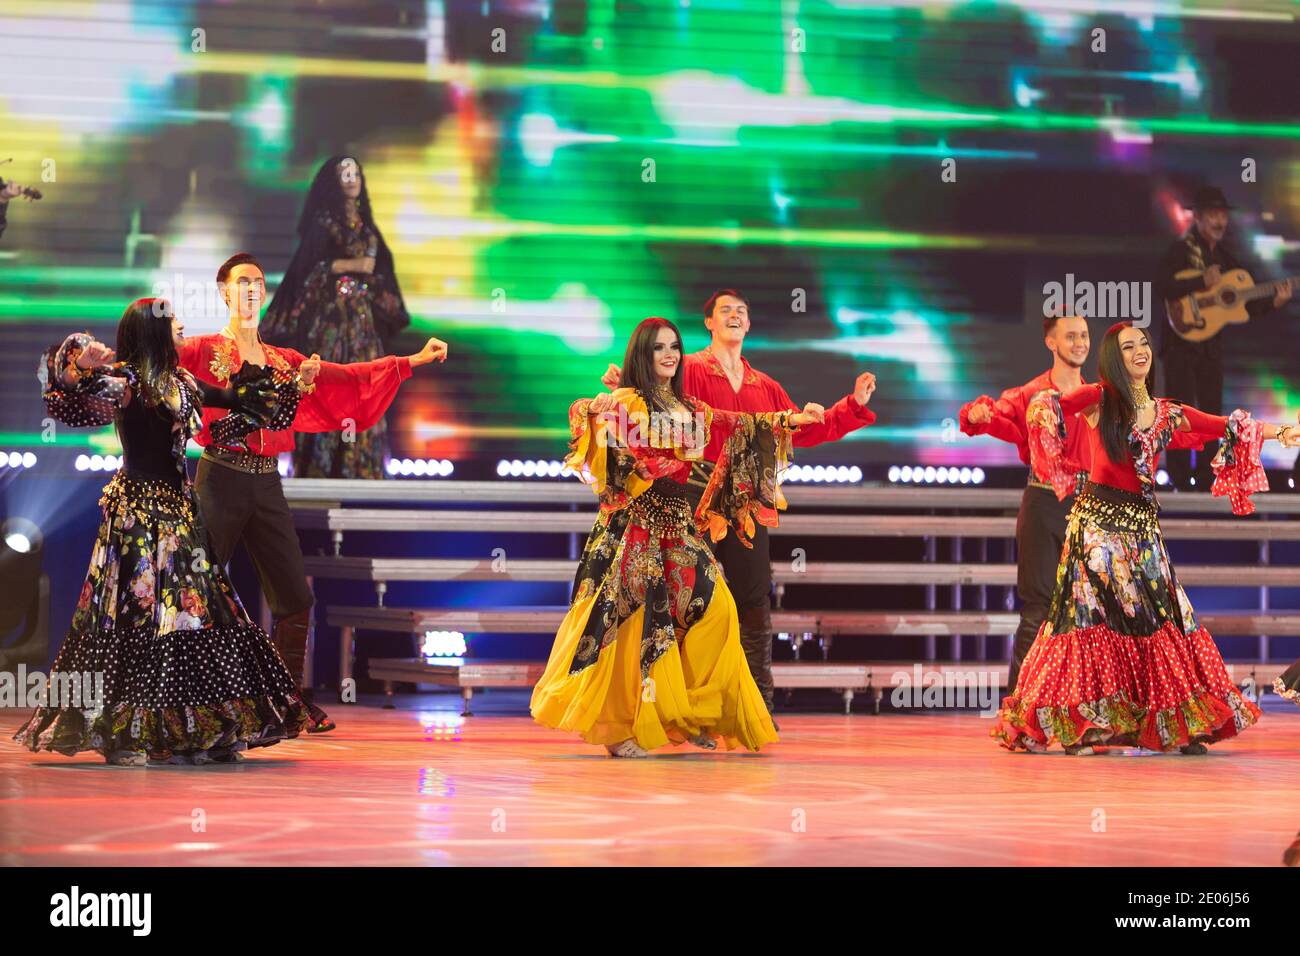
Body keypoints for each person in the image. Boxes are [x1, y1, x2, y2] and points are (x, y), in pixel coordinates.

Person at [14, 300, 315, 766]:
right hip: (135, 517)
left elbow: (243, 402)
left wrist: (288, 386)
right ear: (153, 332)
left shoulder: (184, 383)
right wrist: (78, 358)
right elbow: (70, 392)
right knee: (138, 618)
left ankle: (204, 727)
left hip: (180, 514)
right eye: (171, 319)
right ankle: (126, 731)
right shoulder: (127, 381)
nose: (181, 324)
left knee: (199, 615)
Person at [993, 321, 1297, 754]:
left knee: (1164, 622)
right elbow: (1052, 404)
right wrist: (1044, 414)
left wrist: (1283, 433)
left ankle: (1177, 724)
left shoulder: (1167, 412)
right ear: (1114, 359)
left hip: (1143, 533)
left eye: (1144, 343)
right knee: (1090, 626)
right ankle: (1087, 723)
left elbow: (1225, 426)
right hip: (1096, 531)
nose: (1140, 350)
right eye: (1128, 346)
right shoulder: (1100, 398)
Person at [533, 317, 826, 756]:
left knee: (717, 609)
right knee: (632, 628)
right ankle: (619, 730)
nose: (669, 354)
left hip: (677, 526)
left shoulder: (689, 407)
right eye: (658, 348)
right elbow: (584, 417)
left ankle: (687, 713)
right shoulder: (628, 401)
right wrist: (598, 409)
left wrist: (790, 419)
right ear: (642, 355)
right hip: (634, 526)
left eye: (674, 346)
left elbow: (738, 422)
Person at [180, 252, 447, 731]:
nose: (251, 290)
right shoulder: (201, 350)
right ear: (223, 291)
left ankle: (286, 704)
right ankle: (190, 704)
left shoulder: (287, 362)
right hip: (219, 475)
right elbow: (153, 365)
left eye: (259, 282)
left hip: (265, 481)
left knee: (295, 597)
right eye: (242, 282)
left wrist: (410, 362)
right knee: (196, 588)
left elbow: (348, 378)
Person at [601, 289, 876, 717]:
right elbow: (655, 398)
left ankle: (754, 705)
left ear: (748, 325)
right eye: (725, 311)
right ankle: (680, 703)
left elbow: (800, 429)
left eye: (741, 312)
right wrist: (628, 387)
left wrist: (851, 407)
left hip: (745, 498)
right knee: (690, 596)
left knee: (752, 600)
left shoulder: (763, 385)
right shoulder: (687, 368)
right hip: (690, 490)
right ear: (709, 322)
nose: (734, 316)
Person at [959, 313, 1092, 692]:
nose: (1080, 343)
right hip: (1043, 502)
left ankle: (1083, 707)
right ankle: (1021, 708)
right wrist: (978, 413)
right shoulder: (1030, 393)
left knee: (1089, 611)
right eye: (1071, 336)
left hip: (1086, 506)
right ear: (1051, 343)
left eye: (1084, 335)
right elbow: (993, 415)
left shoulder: (1097, 394)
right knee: (1039, 607)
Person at [260, 156, 411, 479]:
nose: (352, 178)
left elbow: (382, 272)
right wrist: (345, 267)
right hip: (328, 326)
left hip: (361, 327)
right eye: (345, 173)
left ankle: (360, 470)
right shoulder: (323, 224)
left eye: (356, 172)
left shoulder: (368, 226)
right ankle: (320, 471)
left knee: (361, 387)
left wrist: (371, 284)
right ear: (333, 180)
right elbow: (306, 274)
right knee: (328, 387)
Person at [1155, 185, 1292, 490]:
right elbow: (1163, 286)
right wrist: (1200, 280)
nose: (1220, 221)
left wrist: (1273, 301)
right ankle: (1178, 480)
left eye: (1222, 215)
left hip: (1210, 349)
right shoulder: (1181, 251)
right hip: (1180, 346)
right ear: (1199, 217)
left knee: (1211, 416)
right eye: (1213, 214)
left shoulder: (1227, 259)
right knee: (1179, 413)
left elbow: (1243, 303)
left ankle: (1205, 480)